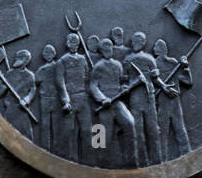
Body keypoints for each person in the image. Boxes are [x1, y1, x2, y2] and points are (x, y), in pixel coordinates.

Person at [90, 37, 137, 166]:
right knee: (102, 135)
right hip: (104, 105)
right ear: (101, 51)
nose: (108, 50)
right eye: (105, 49)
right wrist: (102, 98)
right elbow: (93, 86)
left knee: (130, 124)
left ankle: (131, 160)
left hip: (117, 102)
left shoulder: (118, 65)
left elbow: (121, 81)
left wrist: (124, 87)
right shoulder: (98, 67)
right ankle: (100, 163)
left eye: (109, 47)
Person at [124, 31, 162, 166]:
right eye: (133, 41)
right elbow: (124, 80)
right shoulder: (128, 60)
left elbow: (156, 79)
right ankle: (142, 161)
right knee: (138, 130)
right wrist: (127, 87)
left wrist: (164, 87)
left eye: (138, 41)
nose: (135, 44)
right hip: (134, 97)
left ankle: (157, 160)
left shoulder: (150, 59)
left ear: (143, 43)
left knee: (152, 129)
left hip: (149, 96)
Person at [56, 31, 92, 162]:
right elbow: (60, 83)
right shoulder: (62, 61)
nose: (74, 45)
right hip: (70, 99)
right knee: (70, 131)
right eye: (72, 42)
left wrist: (89, 95)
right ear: (67, 44)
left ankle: (91, 158)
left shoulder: (83, 59)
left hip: (83, 98)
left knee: (89, 129)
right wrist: (65, 100)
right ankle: (71, 160)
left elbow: (87, 78)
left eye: (76, 42)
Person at [153, 37, 192, 159]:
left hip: (173, 101)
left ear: (160, 50)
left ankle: (167, 158)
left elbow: (188, 81)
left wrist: (186, 67)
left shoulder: (172, 64)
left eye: (156, 47)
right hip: (162, 101)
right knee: (171, 130)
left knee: (171, 130)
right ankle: (182, 156)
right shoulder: (154, 65)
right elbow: (188, 81)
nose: (153, 49)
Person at [0, 48, 36, 140]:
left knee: (28, 137)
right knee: (7, 136)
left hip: (22, 110)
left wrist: (26, 100)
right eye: (16, 58)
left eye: (19, 58)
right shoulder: (10, 74)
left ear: (25, 61)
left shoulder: (29, 75)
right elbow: (0, 92)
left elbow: (33, 90)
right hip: (10, 110)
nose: (16, 60)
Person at [35, 43, 59, 153]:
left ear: (54, 54)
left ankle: (57, 150)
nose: (48, 55)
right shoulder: (41, 70)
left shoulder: (58, 67)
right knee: (45, 125)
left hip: (56, 99)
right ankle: (45, 149)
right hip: (45, 99)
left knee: (56, 125)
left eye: (50, 53)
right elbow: (35, 81)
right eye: (46, 53)